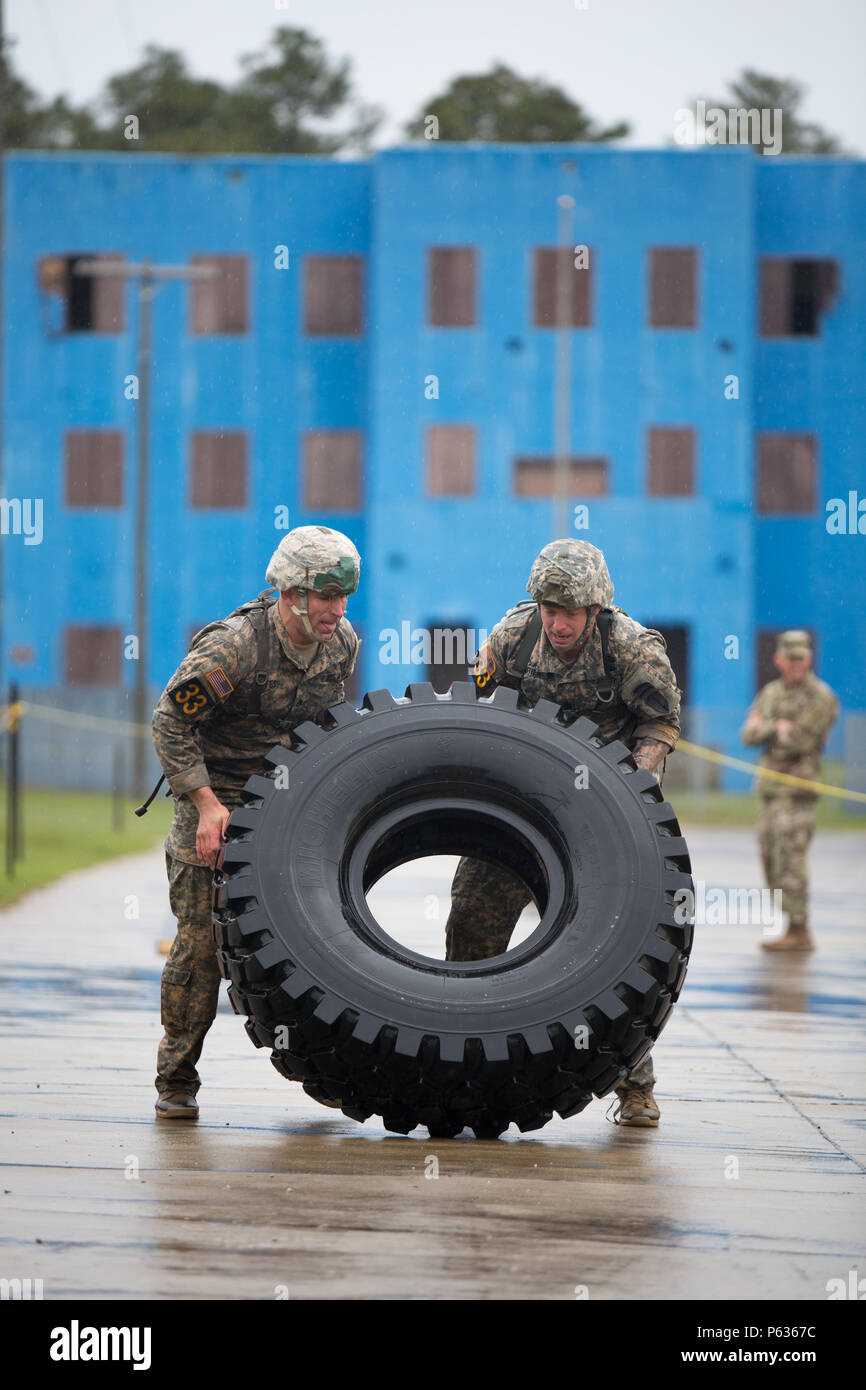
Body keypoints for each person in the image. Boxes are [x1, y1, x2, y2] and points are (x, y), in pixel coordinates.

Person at [445, 538, 682, 1127]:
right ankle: (455, 1059)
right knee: (472, 918)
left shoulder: (632, 649)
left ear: (595, 610)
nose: (556, 623)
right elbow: (480, 712)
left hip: (606, 818)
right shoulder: (511, 639)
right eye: (548, 610)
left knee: (613, 952)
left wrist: (636, 787)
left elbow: (660, 721)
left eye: (568, 612)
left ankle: (634, 1084)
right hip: (522, 808)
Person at [150, 525, 361, 1119]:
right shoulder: (235, 647)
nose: (336, 610)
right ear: (291, 594)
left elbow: (326, 727)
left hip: (283, 804)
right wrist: (209, 806)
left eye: (343, 596)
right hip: (211, 798)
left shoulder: (341, 642)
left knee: (312, 943)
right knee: (201, 949)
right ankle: (176, 1076)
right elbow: (171, 723)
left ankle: (323, 1069)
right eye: (325, 596)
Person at [741, 630, 839, 953]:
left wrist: (769, 728)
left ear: (808, 659)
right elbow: (748, 735)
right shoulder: (771, 692)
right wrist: (774, 728)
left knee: (790, 858)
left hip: (797, 792)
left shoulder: (820, 696)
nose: (795, 663)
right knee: (769, 856)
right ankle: (790, 925)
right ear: (779, 659)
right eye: (790, 657)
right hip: (771, 791)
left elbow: (801, 740)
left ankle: (800, 928)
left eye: (801, 657)